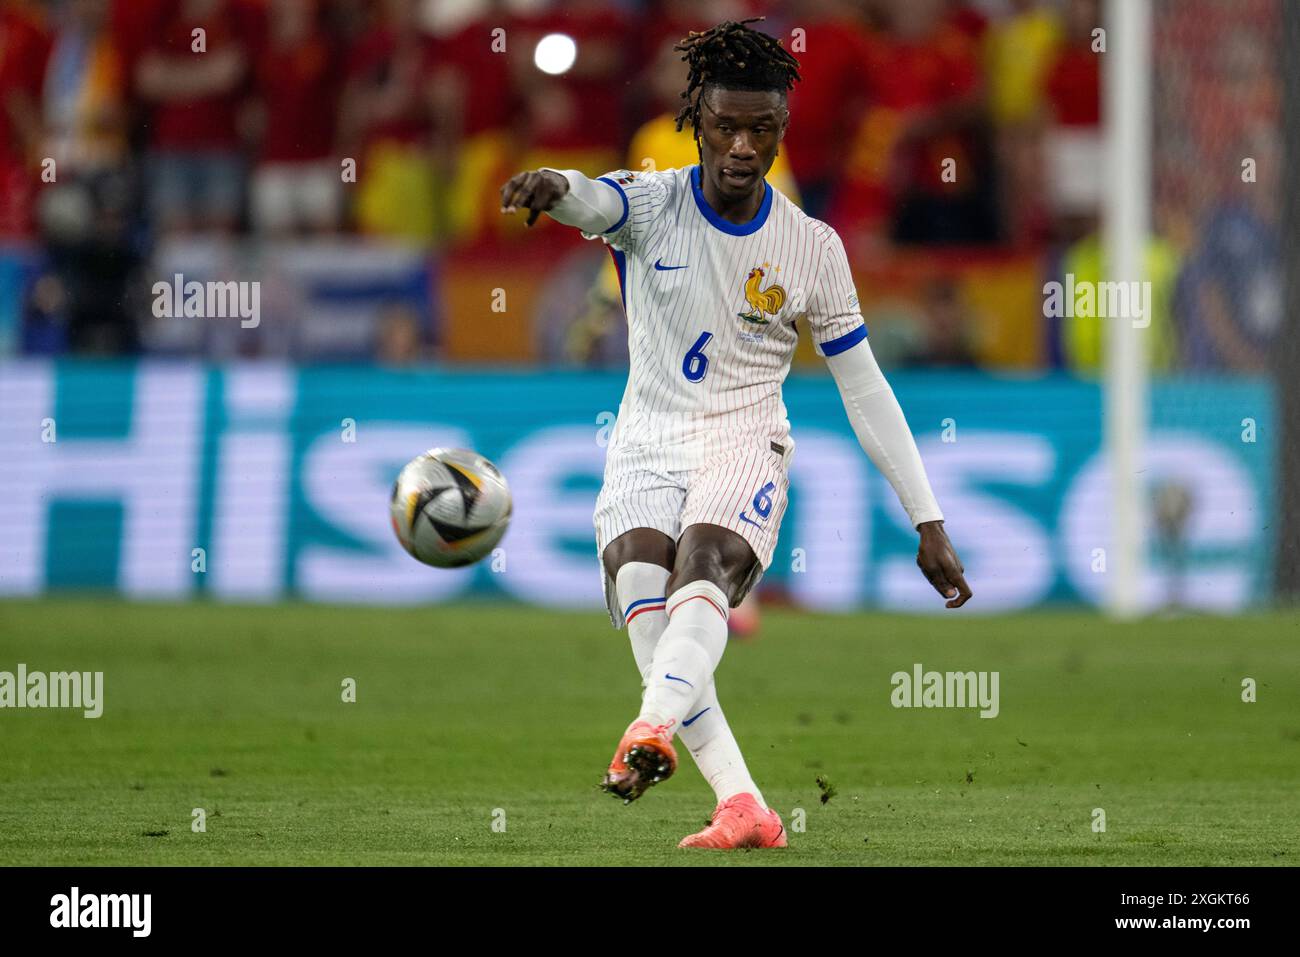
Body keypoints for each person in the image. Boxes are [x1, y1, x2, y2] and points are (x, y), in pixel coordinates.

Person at [499, 19, 970, 851]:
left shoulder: (813, 248)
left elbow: (864, 386)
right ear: (698, 122)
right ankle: (744, 803)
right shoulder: (650, 207)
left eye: (763, 128)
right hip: (646, 435)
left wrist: (926, 517)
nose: (744, 146)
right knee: (644, 591)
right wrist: (551, 184)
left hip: (745, 438)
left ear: (783, 131)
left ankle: (647, 732)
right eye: (726, 126)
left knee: (702, 572)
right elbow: (592, 197)